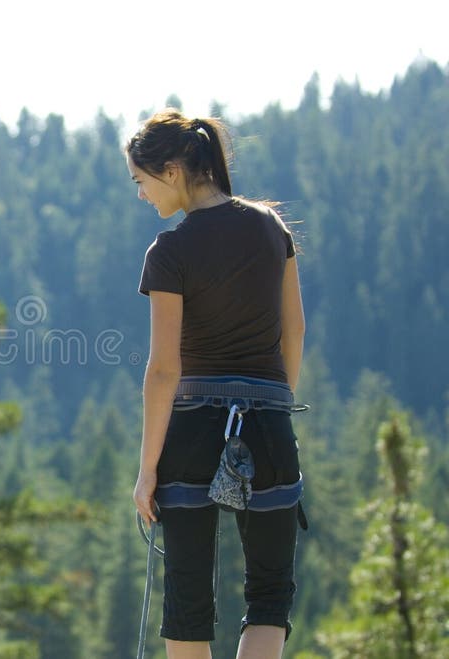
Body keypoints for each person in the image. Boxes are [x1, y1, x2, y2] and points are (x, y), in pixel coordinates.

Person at [127, 109, 306, 659]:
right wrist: (273, 407)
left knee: (187, 606)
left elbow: (163, 371)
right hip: (270, 424)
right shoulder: (271, 228)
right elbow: (294, 331)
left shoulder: (170, 251)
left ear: (173, 170)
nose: (141, 195)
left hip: (193, 434)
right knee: (270, 596)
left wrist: (147, 469)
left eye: (141, 180)